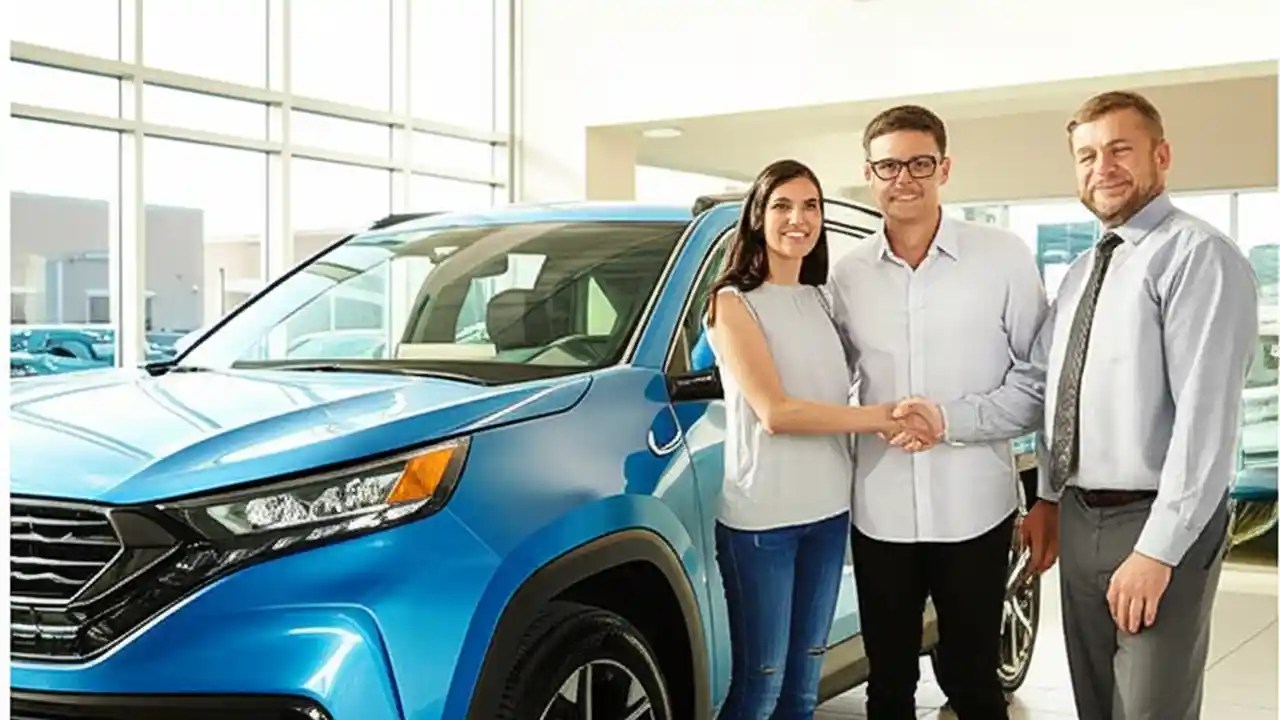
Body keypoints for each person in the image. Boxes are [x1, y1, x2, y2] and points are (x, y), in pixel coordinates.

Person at [1032, 90, 1258, 720]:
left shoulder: (1197, 256)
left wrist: (1158, 550)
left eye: (1119, 149)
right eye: (1086, 155)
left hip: (1157, 518)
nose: (1101, 166)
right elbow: (1052, 388)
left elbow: (1205, 422)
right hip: (1080, 517)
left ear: (1161, 156)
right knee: (1096, 706)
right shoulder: (1082, 270)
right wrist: (1049, 498)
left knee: (1151, 709)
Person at [825, 105, 1053, 719]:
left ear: (944, 168)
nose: (905, 178)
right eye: (889, 165)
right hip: (880, 510)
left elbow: (1038, 381)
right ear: (869, 174)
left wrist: (947, 420)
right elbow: (830, 381)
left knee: (976, 684)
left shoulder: (1002, 257)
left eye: (920, 163)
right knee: (887, 686)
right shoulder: (846, 275)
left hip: (974, 508)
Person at [704, 158, 931, 719]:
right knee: (760, 686)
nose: (797, 219)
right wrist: (880, 417)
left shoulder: (820, 299)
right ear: (757, 216)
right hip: (763, 524)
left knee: (804, 689)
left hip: (828, 514)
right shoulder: (732, 303)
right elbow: (777, 413)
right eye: (782, 205)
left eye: (811, 207)